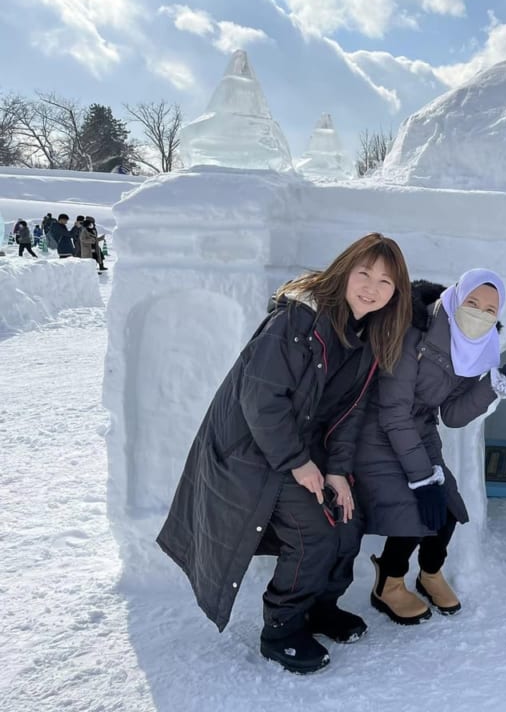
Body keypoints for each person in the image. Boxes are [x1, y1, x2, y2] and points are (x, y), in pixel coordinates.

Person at [157, 233, 412, 674]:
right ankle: (281, 628)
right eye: (364, 273)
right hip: (253, 453)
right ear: (345, 271)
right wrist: (299, 463)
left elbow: (349, 415)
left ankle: (320, 607)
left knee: (348, 521)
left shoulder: (367, 337)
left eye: (386, 282)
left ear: (395, 294)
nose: (372, 287)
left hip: (301, 451)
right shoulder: (298, 320)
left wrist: (336, 472)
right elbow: (261, 400)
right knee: (313, 532)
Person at [354, 270, 506, 624]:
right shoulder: (413, 334)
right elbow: (393, 411)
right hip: (376, 432)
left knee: (449, 507)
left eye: (489, 310)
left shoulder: (475, 348)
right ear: (455, 298)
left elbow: (452, 415)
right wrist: (422, 480)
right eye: (472, 303)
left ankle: (429, 573)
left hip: (418, 432)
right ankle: (389, 583)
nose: (479, 314)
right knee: (417, 509)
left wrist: (492, 383)